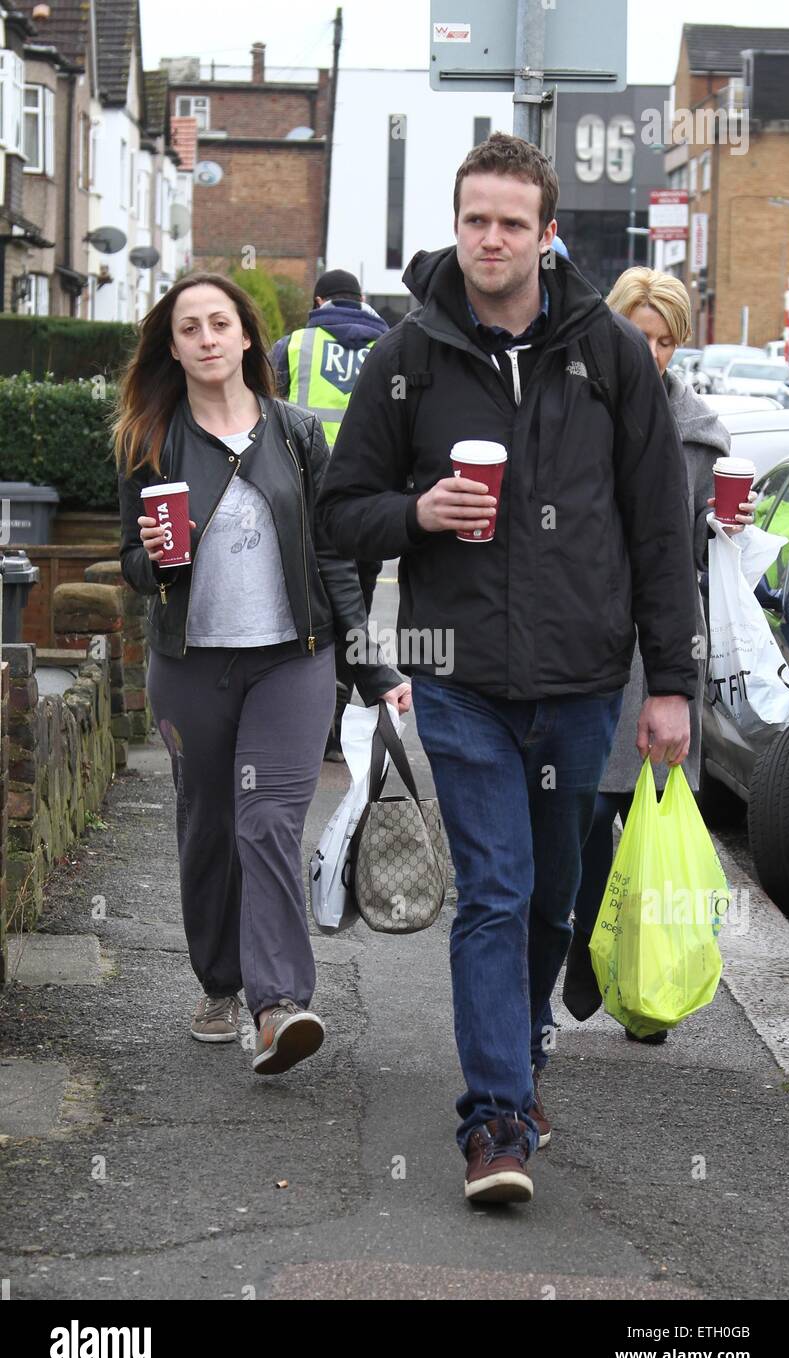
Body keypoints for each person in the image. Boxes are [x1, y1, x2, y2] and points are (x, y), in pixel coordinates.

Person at [318, 132, 700, 1205]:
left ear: (545, 235)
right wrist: (417, 512)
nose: (490, 239)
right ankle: (492, 1121)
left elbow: (656, 530)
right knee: (492, 891)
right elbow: (341, 512)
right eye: (474, 219)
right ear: (456, 226)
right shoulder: (408, 359)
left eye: (510, 223)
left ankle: (521, 1058)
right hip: (459, 674)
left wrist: (667, 681)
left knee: (549, 897)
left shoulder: (607, 353)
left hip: (580, 678)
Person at [115, 272, 409, 1077]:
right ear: (172, 348)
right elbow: (133, 568)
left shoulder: (297, 434)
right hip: (190, 666)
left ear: (247, 335)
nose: (207, 338)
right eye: (189, 329)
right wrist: (159, 560)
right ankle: (219, 983)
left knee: (267, 823)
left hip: (292, 659)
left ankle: (278, 1005)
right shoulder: (150, 441)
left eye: (220, 323)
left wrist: (374, 664)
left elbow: (334, 560)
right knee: (208, 825)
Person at [563, 266, 755, 1037]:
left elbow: (704, 551)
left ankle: (643, 984)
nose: (650, 352)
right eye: (637, 335)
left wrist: (731, 536)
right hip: (589, 647)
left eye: (666, 340)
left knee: (656, 825)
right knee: (585, 822)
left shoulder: (701, 434)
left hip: (667, 656)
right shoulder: (574, 413)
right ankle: (585, 949)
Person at [273, 269, 391, 760]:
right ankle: (336, 725)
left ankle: (310, 723)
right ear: (360, 300)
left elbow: (263, 409)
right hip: (369, 504)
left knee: (311, 609)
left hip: (304, 499)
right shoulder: (388, 345)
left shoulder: (292, 346)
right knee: (354, 610)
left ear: (319, 300)